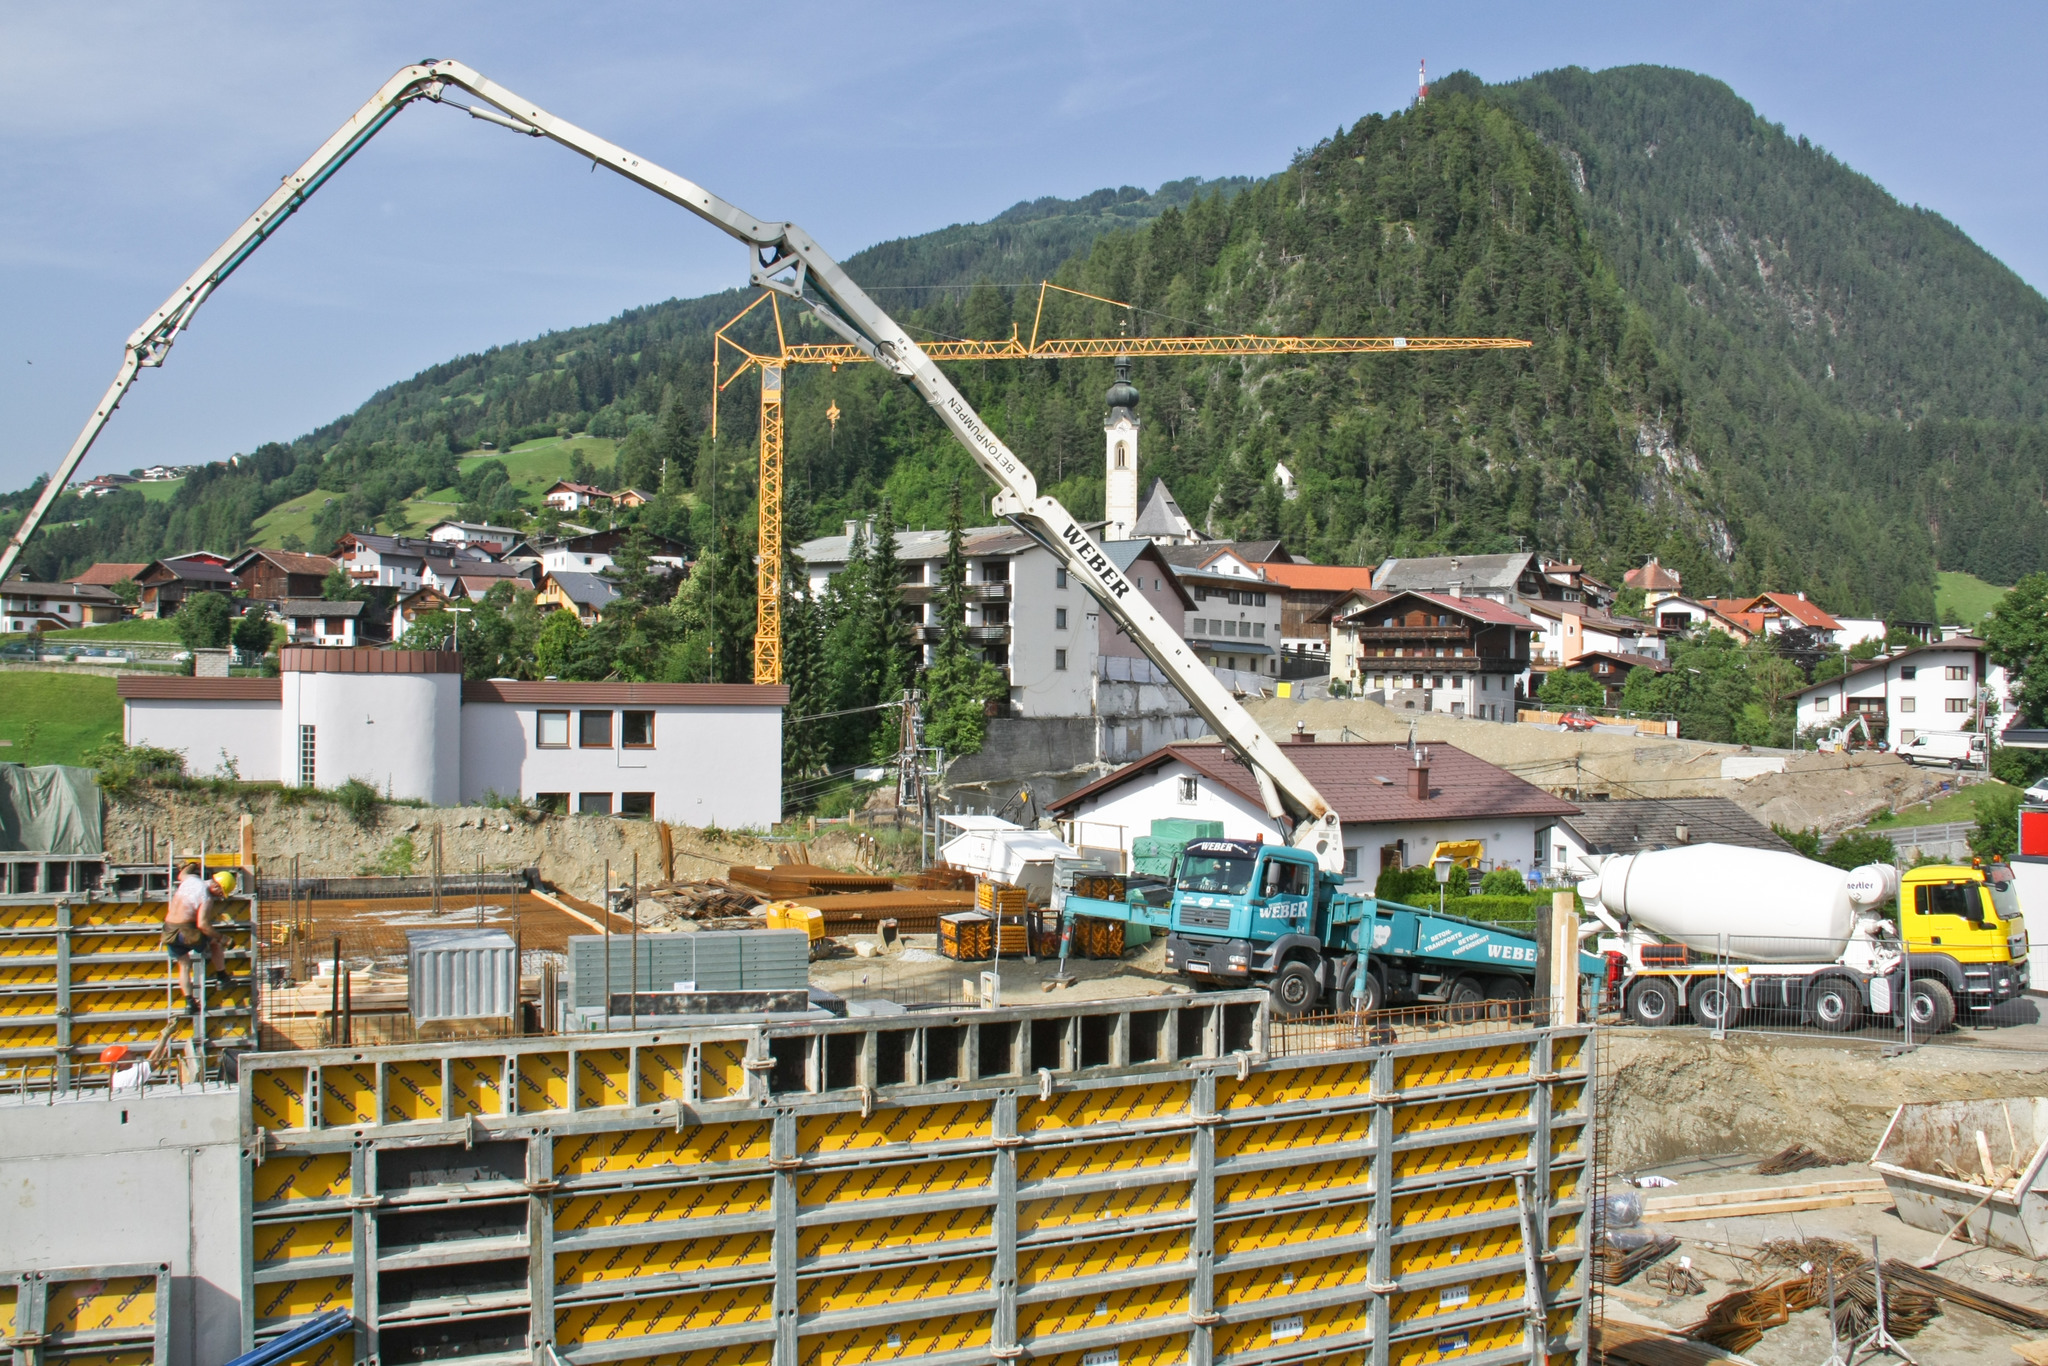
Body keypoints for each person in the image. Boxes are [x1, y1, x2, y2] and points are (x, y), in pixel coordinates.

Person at [163, 861, 229, 1009]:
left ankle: (189, 1002)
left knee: (184, 965)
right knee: (215, 943)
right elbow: (203, 925)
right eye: (221, 893)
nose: (220, 897)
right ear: (216, 886)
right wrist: (222, 938)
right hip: (185, 931)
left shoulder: (191, 879)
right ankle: (222, 976)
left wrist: (192, 865)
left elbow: (182, 874)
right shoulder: (205, 897)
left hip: (169, 930)